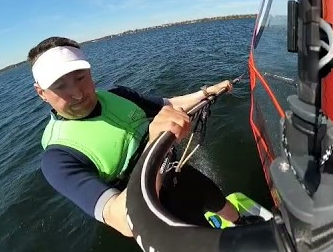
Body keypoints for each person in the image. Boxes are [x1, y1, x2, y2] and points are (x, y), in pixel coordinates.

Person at [28, 35, 250, 236]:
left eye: (80, 77)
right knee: (202, 236)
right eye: (60, 86)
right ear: (41, 93)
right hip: (156, 208)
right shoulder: (58, 158)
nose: (77, 94)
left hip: (176, 170)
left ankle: (242, 223)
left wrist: (208, 92)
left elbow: (170, 104)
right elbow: (124, 221)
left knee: (214, 195)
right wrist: (154, 143)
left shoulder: (119, 95)